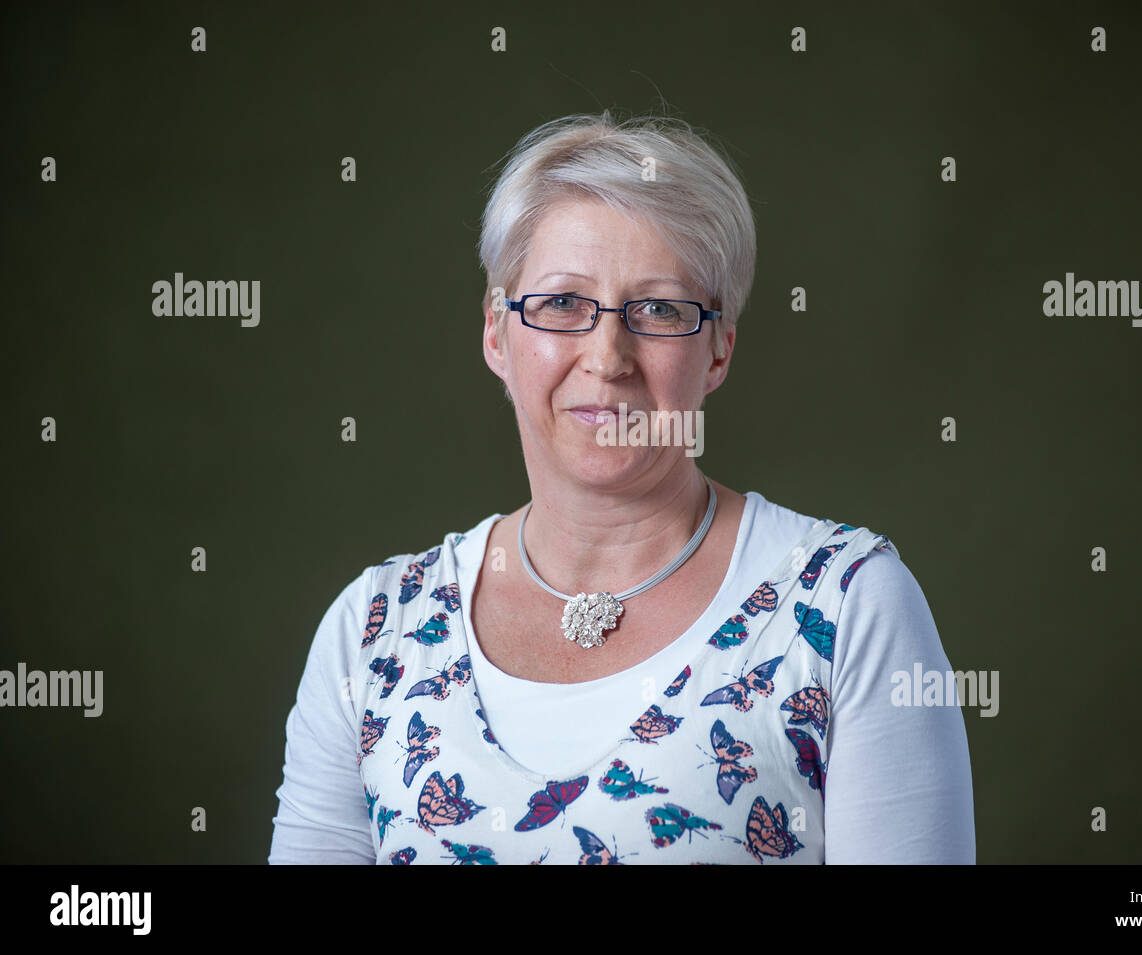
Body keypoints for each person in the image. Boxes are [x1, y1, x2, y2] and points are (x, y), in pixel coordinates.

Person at [268, 110, 976, 865]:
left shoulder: (845, 608)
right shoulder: (374, 635)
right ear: (496, 334)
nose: (607, 356)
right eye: (562, 303)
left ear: (719, 349)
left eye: (659, 310)